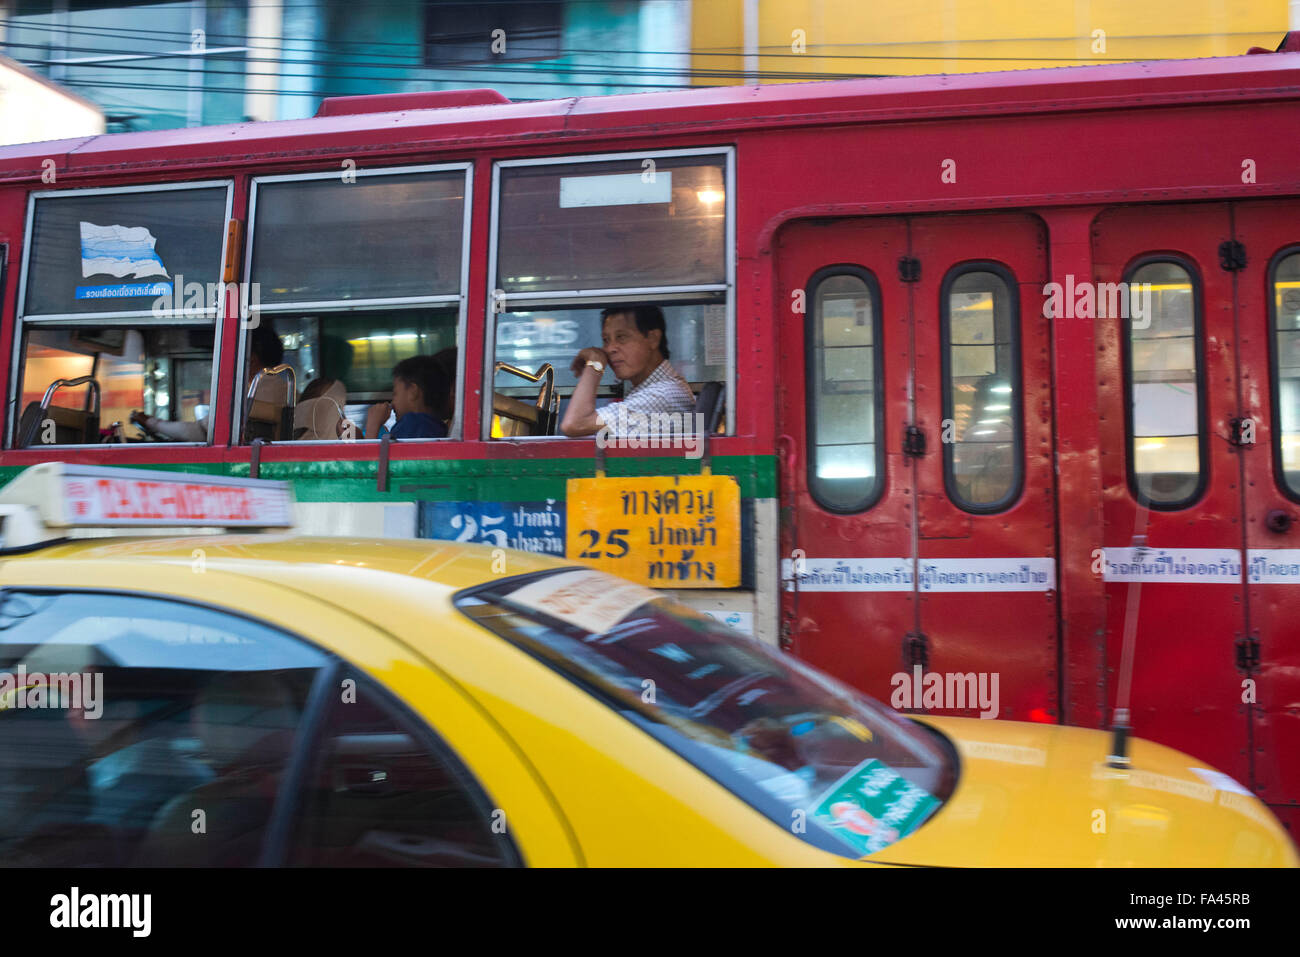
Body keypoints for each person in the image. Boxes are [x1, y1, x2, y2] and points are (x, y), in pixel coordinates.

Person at [130, 323, 284, 442]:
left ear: (251, 359)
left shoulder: (251, 393)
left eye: (235, 354)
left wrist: (151, 422)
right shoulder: (286, 389)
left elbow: (200, 433)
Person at [560, 305, 695, 438]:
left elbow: (574, 424)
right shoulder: (648, 390)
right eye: (606, 340)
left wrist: (595, 363)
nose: (610, 349)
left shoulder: (662, 395)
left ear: (653, 339)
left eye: (621, 337)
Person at [364, 354, 448, 440]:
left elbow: (375, 454)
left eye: (395, 394)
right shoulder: (436, 426)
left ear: (413, 391)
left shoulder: (412, 423)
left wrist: (372, 426)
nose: (392, 403)